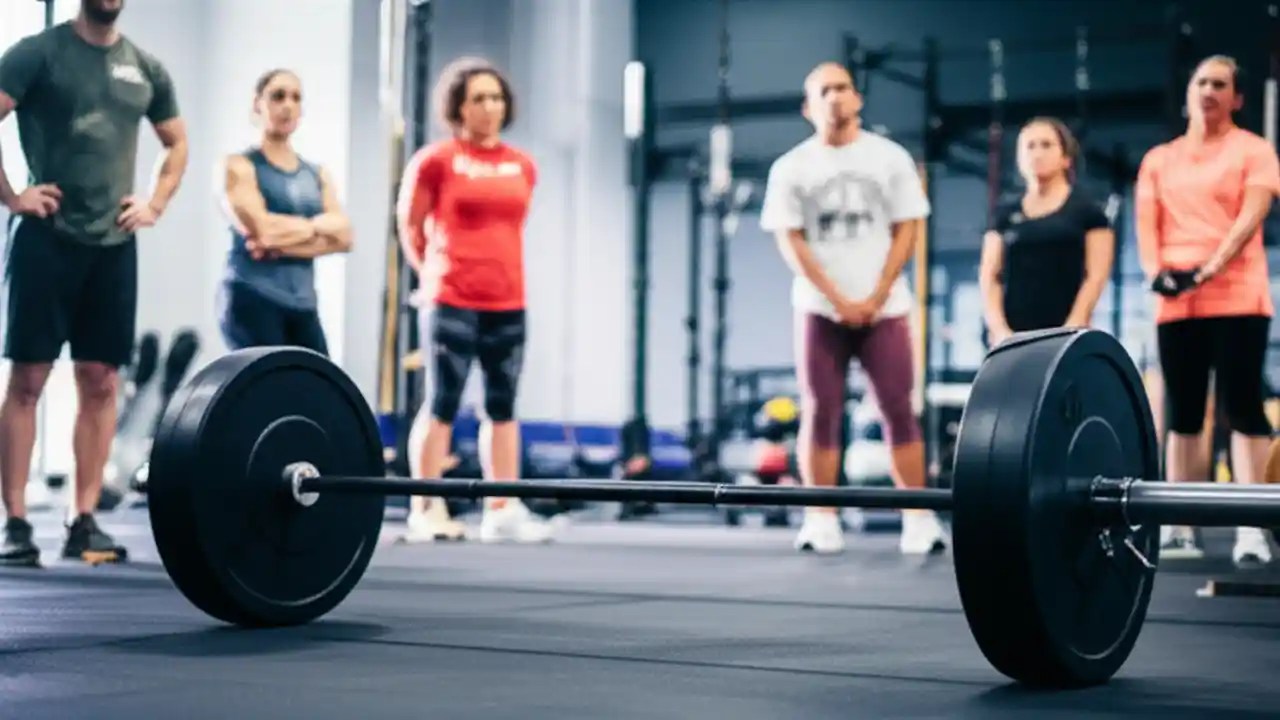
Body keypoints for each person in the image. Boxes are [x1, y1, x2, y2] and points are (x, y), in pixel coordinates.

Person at [0, 0, 188, 566]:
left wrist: (154, 202)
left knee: (102, 379)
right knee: (29, 378)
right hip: (44, 239)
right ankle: (14, 522)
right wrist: (12, 196)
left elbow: (177, 142)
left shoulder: (145, 68)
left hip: (112, 248)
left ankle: (84, 519)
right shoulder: (39, 53)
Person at [760, 61, 949, 555]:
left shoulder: (889, 158)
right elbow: (791, 241)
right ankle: (820, 517)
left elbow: (909, 227)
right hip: (820, 308)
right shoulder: (791, 167)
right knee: (820, 410)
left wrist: (877, 294)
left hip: (885, 308)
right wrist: (839, 299)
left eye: (843, 88)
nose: (836, 97)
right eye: (824, 90)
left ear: (858, 99)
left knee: (900, 409)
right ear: (808, 107)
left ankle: (918, 518)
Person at [395, 56, 553, 544]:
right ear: (459, 108)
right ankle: (426, 507)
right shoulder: (437, 160)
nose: (490, 106)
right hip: (451, 299)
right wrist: (433, 275)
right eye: (479, 98)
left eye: (496, 97)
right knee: (442, 402)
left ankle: (502, 508)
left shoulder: (522, 165)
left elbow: (510, 229)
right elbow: (410, 225)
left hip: (508, 300)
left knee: (503, 406)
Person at [1135, 55, 1280, 565]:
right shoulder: (1159, 159)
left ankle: (1253, 527)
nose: (1209, 90)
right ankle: (1181, 526)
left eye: (1221, 84)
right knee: (1185, 413)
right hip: (1178, 305)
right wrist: (1158, 274)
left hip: (1239, 296)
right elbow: (1147, 226)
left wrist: (1210, 268)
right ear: (1188, 93)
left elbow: (1251, 215)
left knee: (1242, 406)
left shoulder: (1254, 150)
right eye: (1201, 81)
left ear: (1237, 98)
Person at [218, 69, 352, 355]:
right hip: (253, 296)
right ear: (258, 104)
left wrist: (282, 238)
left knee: (318, 390)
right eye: (278, 96)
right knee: (269, 394)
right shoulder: (239, 166)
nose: (287, 105)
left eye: (296, 98)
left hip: (303, 303)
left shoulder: (317, 174)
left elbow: (344, 237)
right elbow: (262, 232)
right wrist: (318, 227)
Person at [979, 117, 1115, 344]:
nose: (1037, 153)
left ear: (1066, 158)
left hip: (1067, 334)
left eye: (1046, 145)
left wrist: (1074, 324)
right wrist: (1000, 330)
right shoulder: (1005, 212)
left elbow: (1095, 276)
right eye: (1029, 146)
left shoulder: (1088, 212)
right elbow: (989, 275)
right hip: (1014, 336)